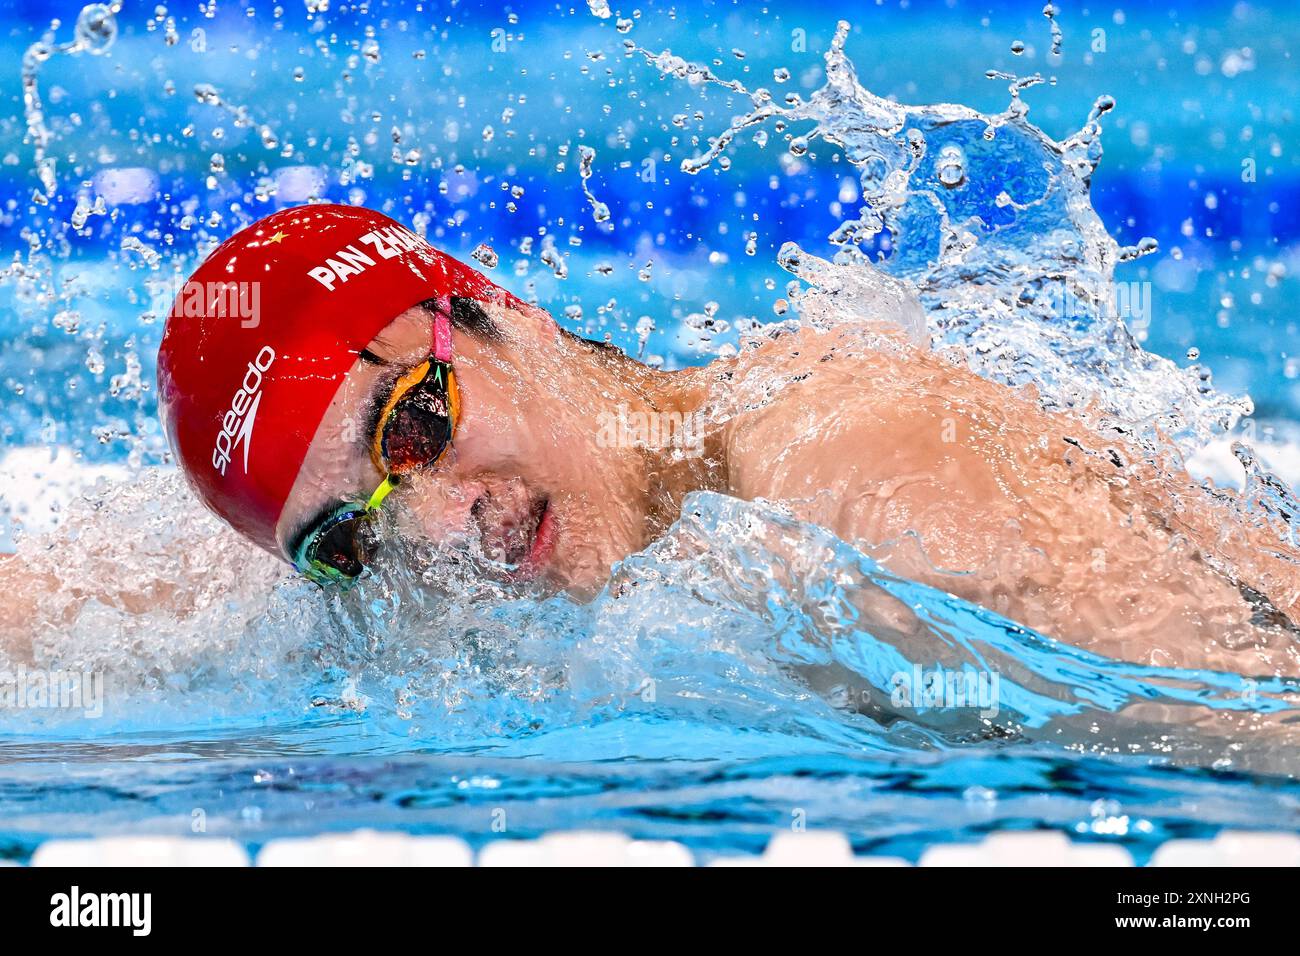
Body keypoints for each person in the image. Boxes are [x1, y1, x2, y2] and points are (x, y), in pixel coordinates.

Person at [5, 204, 1299, 678]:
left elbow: (1255, 714)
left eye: (420, 425)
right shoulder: (392, 596)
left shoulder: (843, 469)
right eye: (347, 543)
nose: (442, 533)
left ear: (504, 318)